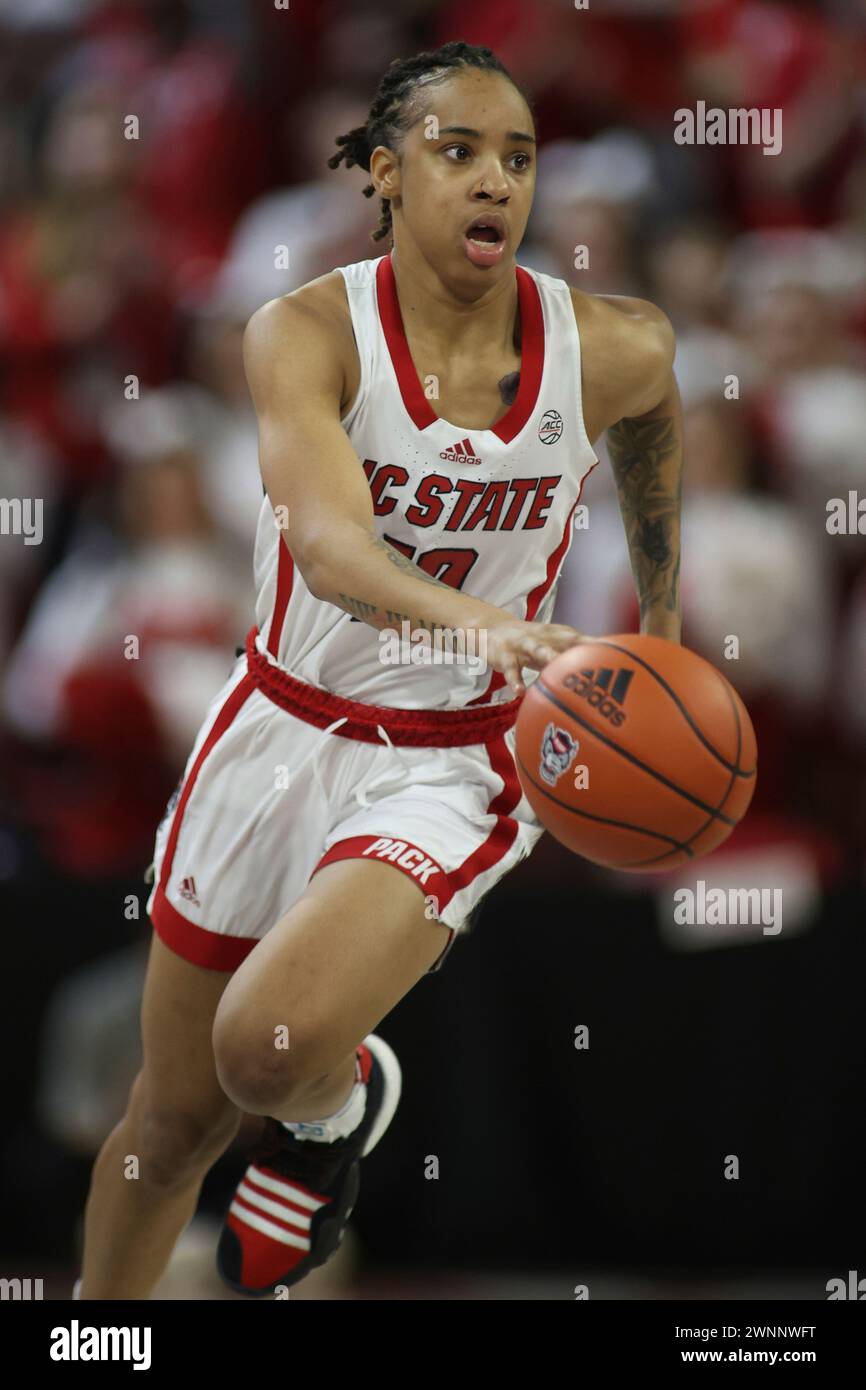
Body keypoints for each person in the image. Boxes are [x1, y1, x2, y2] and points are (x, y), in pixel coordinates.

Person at [75, 39, 683, 1300]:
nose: (493, 182)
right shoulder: (303, 331)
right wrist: (480, 618)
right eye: (457, 151)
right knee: (170, 1120)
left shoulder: (607, 345)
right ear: (383, 175)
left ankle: (332, 1096)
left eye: (516, 157)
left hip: (449, 761)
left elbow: (654, 410)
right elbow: (332, 545)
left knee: (265, 1048)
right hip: (277, 719)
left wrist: (663, 620)